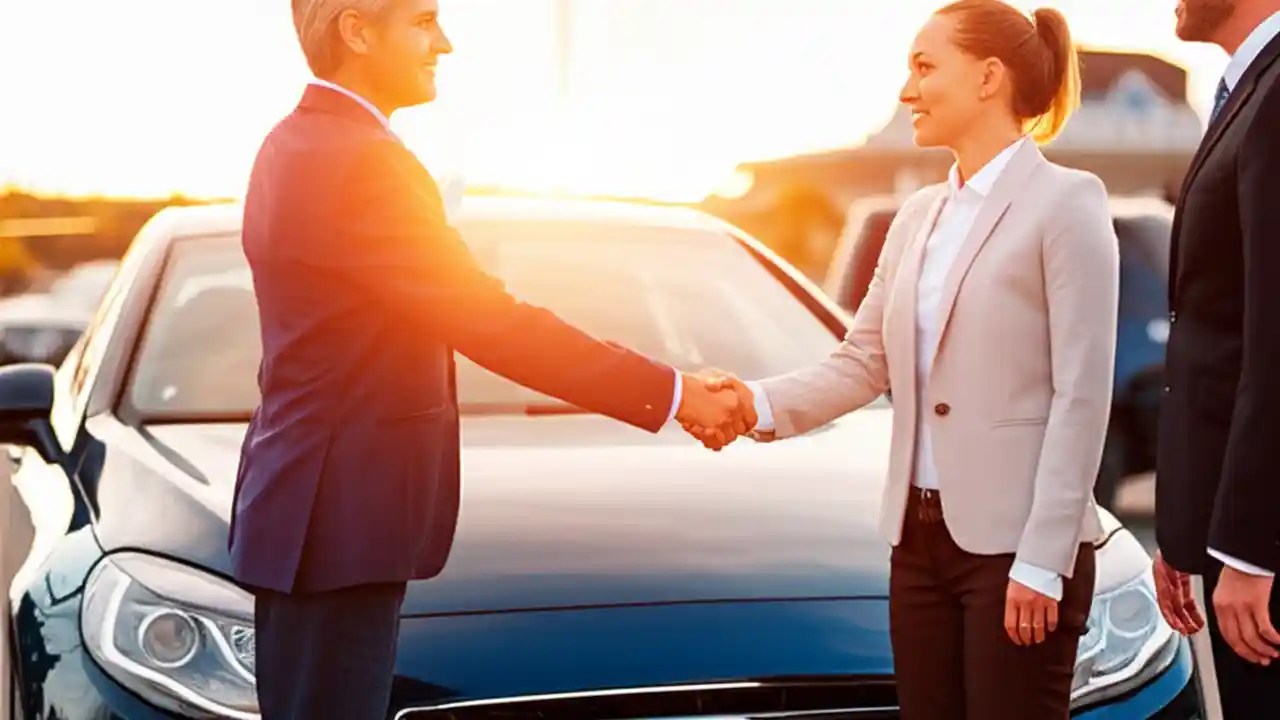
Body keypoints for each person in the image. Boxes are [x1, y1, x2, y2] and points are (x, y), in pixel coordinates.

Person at [229, 1, 752, 717]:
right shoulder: (361, 160)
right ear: (356, 30)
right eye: (421, 21)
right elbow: (487, 319)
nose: (443, 42)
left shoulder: (296, 143)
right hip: (339, 516)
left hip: (313, 512)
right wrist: (675, 393)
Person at [685, 2, 1119, 717]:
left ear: (987, 78)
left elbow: (1082, 393)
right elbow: (862, 360)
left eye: (923, 67)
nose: (905, 90)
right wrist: (750, 404)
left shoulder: (1066, 202)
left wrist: (1044, 560)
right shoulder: (917, 216)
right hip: (916, 546)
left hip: (1015, 552)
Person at [1153, 1, 1280, 716]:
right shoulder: (1250, 88)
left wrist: (1251, 548)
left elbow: (1272, 339)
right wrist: (1184, 532)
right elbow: (1212, 333)